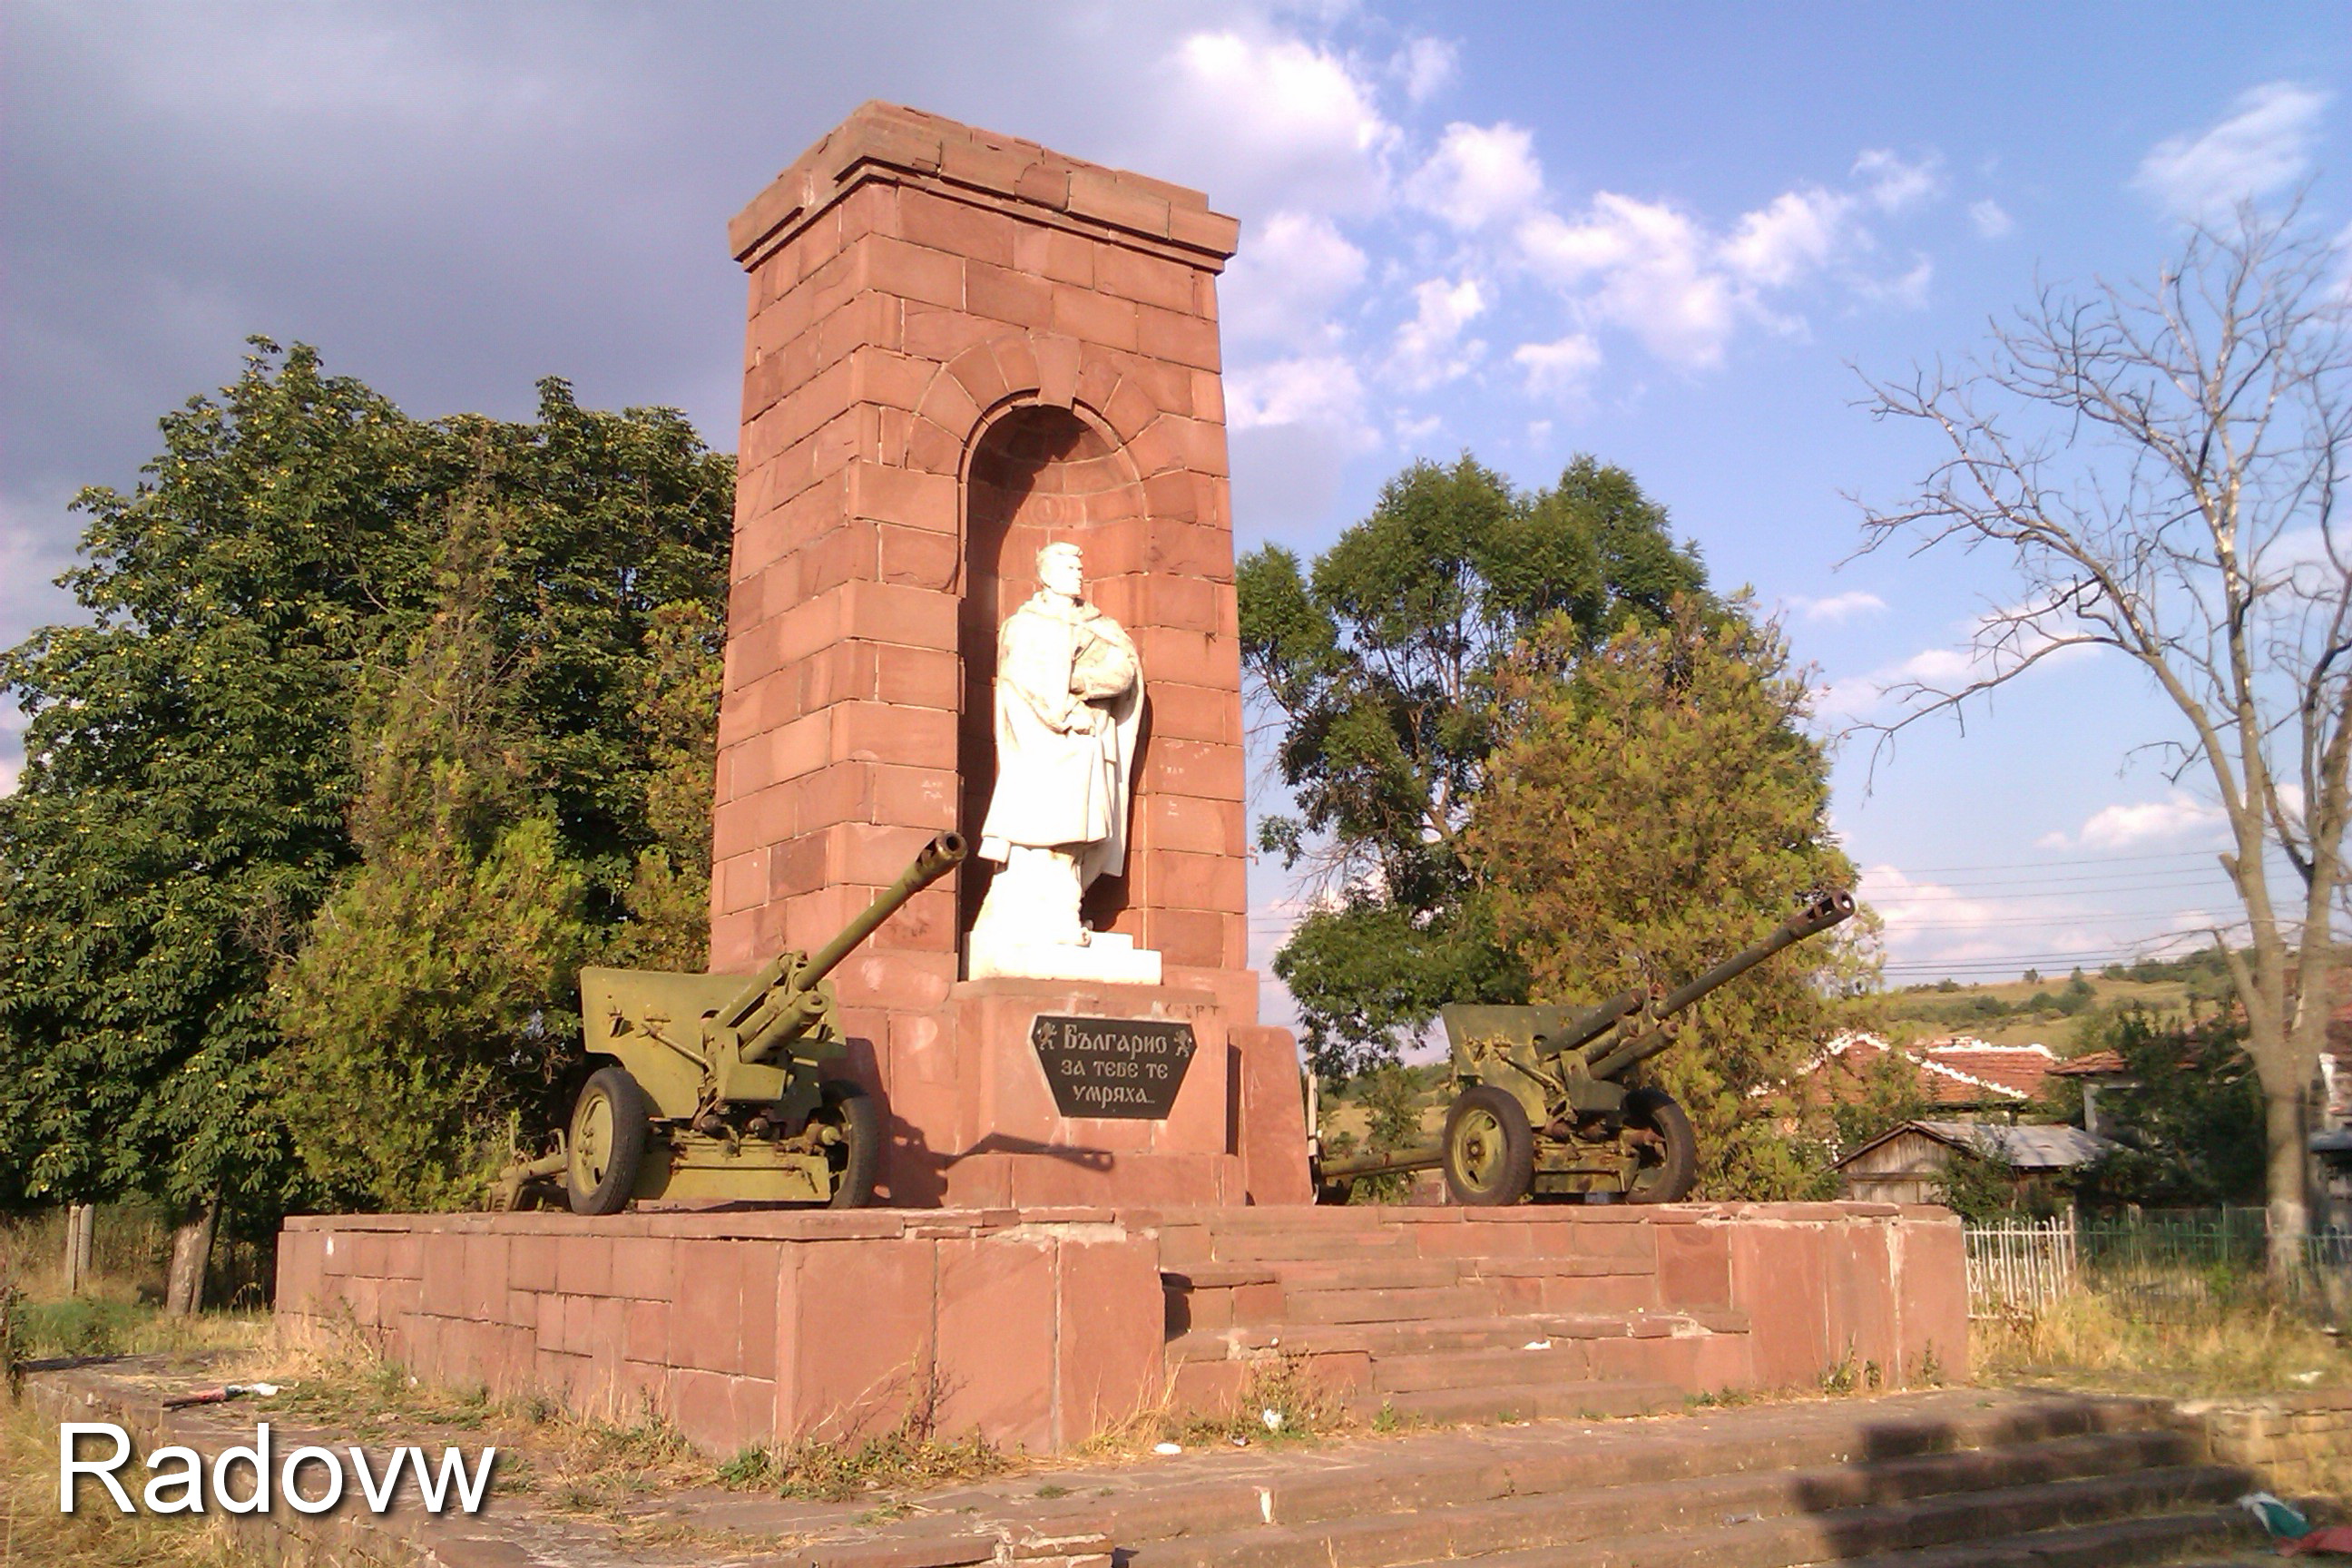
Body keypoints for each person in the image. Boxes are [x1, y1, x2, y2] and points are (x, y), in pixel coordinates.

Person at [972, 541, 1142, 952]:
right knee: (1041, 831)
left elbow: (1123, 671)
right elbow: (1022, 678)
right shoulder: (1025, 625)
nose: (1078, 575)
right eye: (1068, 568)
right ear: (1046, 575)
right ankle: (1042, 915)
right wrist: (1064, 710)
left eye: (1079, 568)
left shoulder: (1099, 625)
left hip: (1086, 743)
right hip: (1044, 744)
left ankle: (1064, 909)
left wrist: (1079, 682)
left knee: (1080, 835)